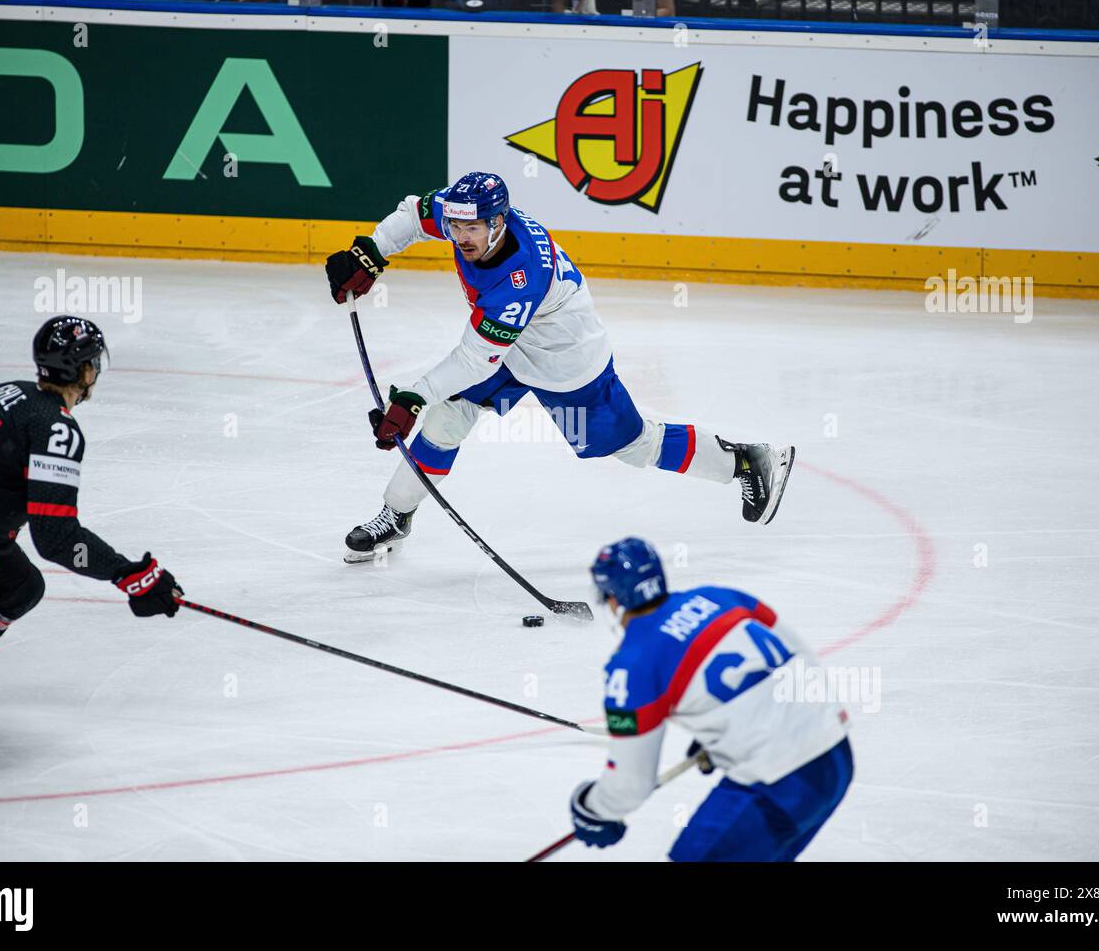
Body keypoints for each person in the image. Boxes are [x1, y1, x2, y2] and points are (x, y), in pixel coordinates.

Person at [325, 172, 795, 563]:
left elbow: (475, 358)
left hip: (565, 361)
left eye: (472, 229)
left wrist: (412, 397)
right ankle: (396, 513)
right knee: (448, 418)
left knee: (633, 447)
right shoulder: (463, 213)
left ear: (499, 223)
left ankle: (747, 461)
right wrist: (372, 250)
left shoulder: (519, 279)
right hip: (509, 347)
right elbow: (412, 214)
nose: (461, 236)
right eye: (455, 226)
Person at [0, 316, 182, 799]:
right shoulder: (58, 430)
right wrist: (130, 574)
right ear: (84, 371)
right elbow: (57, 537)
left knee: (21, 586)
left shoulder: (12, 391)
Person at [568, 537, 852, 861]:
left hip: (778, 782)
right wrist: (739, 728)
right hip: (836, 754)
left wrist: (592, 808)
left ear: (615, 598)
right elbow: (796, 653)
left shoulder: (633, 665)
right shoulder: (720, 596)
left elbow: (630, 785)